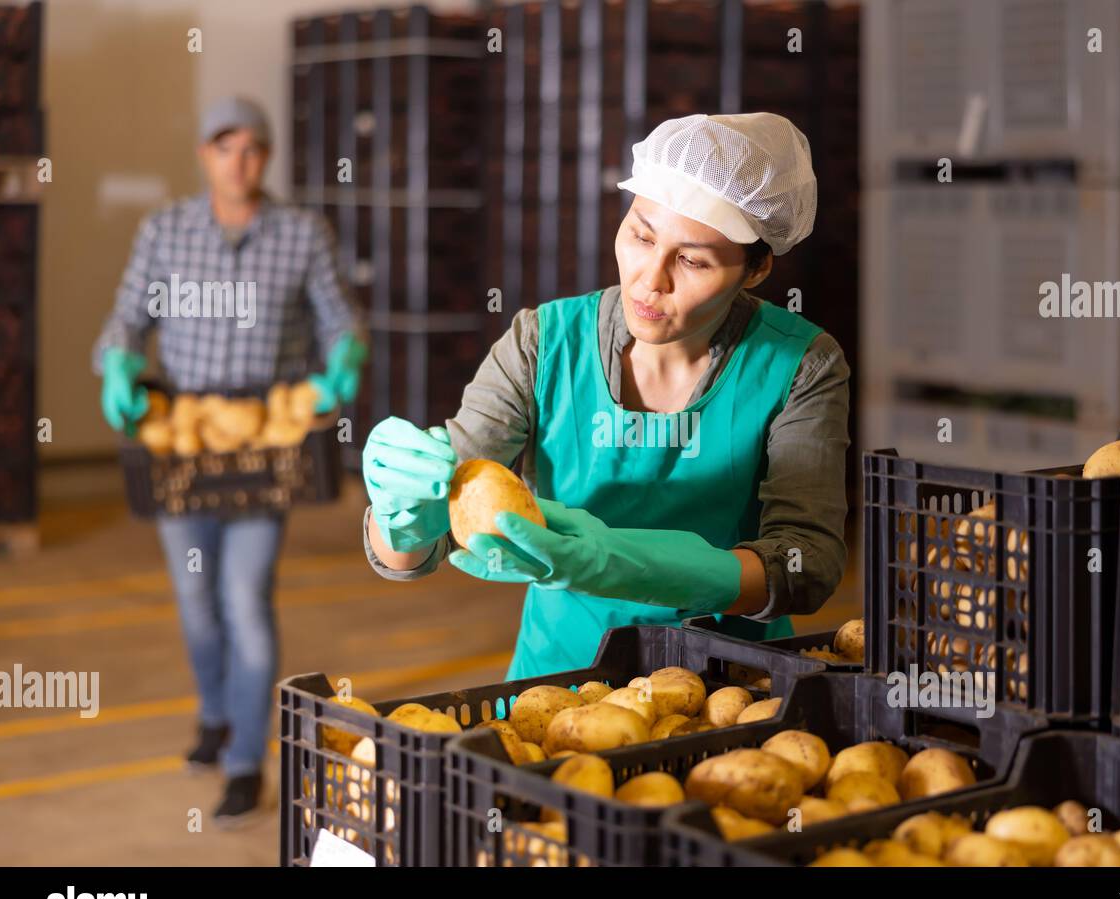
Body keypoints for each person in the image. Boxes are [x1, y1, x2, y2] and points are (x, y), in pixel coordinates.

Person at [362, 112, 848, 679]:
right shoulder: (543, 343)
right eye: (641, 235)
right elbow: (424, 545)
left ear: (756, 269)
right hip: (560, 682)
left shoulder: (800, 363)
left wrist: (623, 565)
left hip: (732, 688)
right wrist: (403, 517)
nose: (651, 279)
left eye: (692, 260)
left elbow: (806, 563)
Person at [92, 96, 367, 824]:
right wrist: (118, 363)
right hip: (181, 444)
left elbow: (340, 318)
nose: (237, 162)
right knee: (195, 598)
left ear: (266, 157)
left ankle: (246, 756)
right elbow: (128, 315)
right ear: (203, 154)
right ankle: (214, 714)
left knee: (244, 599)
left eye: (251, 149)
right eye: (224, 147)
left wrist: (345, 358)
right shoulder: (166, 230)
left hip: (262, 447)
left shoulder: (302, 233)